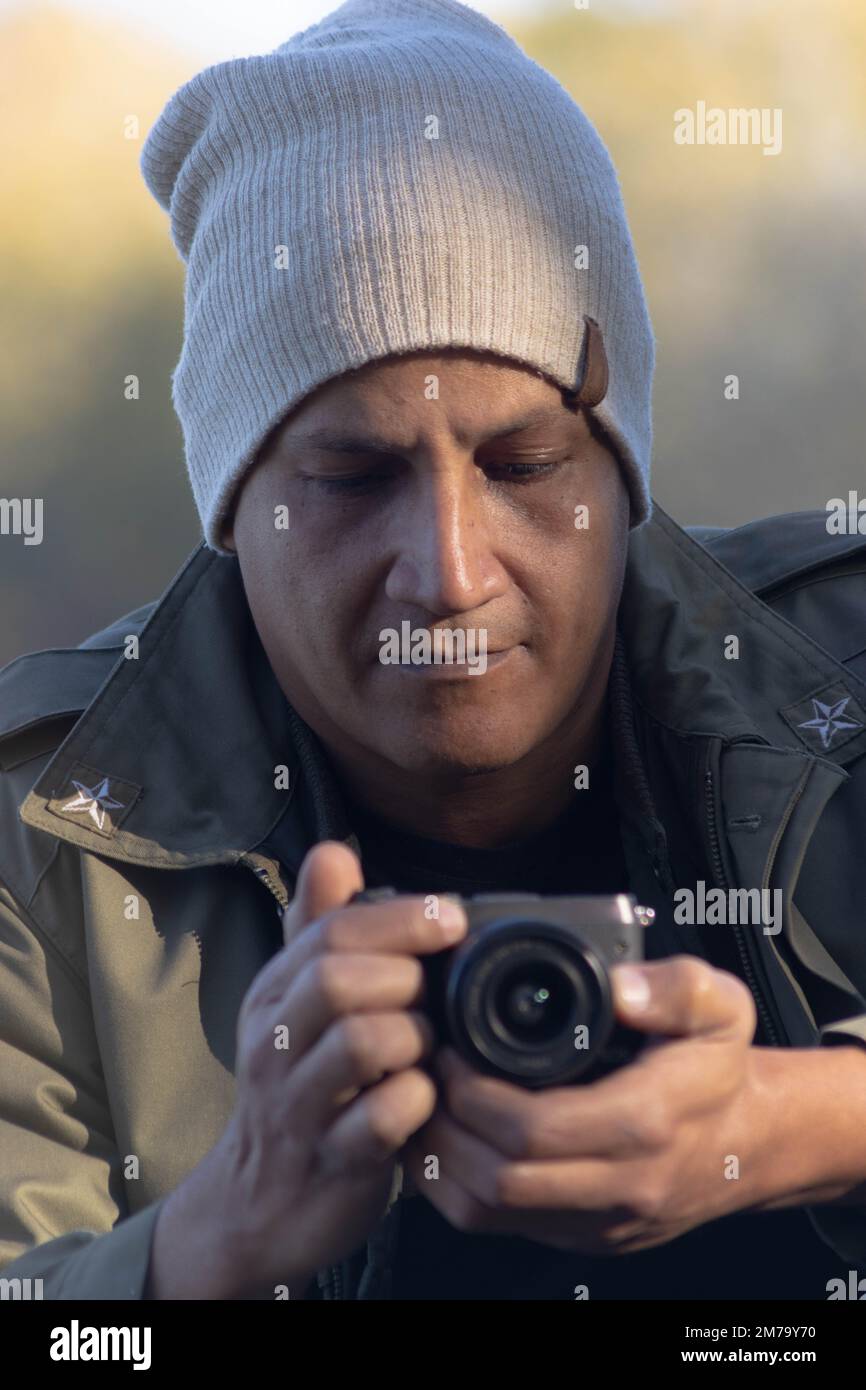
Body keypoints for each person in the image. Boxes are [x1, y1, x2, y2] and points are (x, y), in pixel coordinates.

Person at [1, 0, 866, 1302]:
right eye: (351, 477)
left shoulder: (841, 685)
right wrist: (214, 1238)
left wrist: (804, 1124)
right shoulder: (49, 835)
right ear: (233, 508)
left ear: (620, 477)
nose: (451, 572)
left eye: (524, 464)